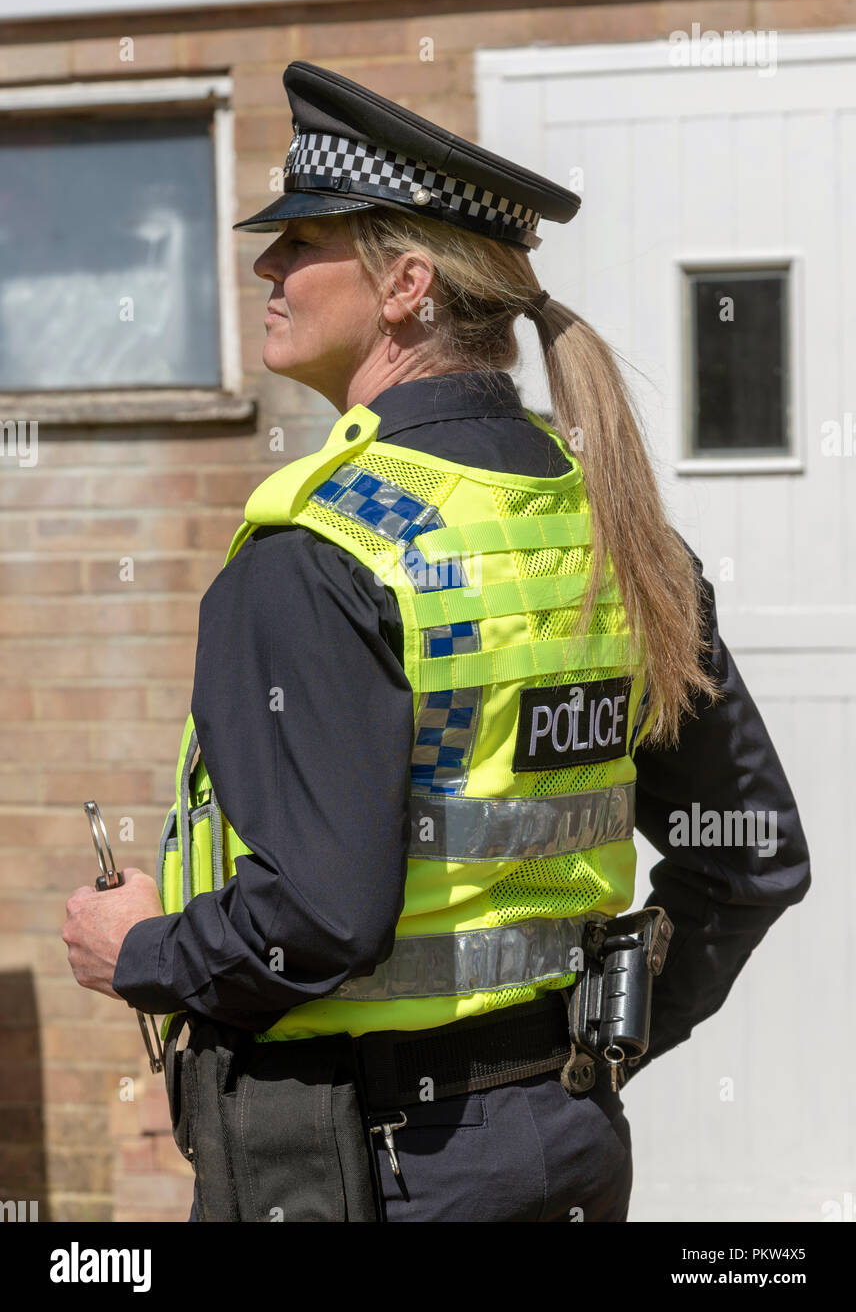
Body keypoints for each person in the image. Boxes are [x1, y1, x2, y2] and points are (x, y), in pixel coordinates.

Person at [63, 60, 811, 1223]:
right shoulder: (609, 524)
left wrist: (145, 949)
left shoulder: (316, 551)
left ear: (405, 283)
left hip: (364, 1171)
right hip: (564, 1148)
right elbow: (747, 853)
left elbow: (320, 916)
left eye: (301, 238)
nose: (265, 265)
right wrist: (594, 1048)